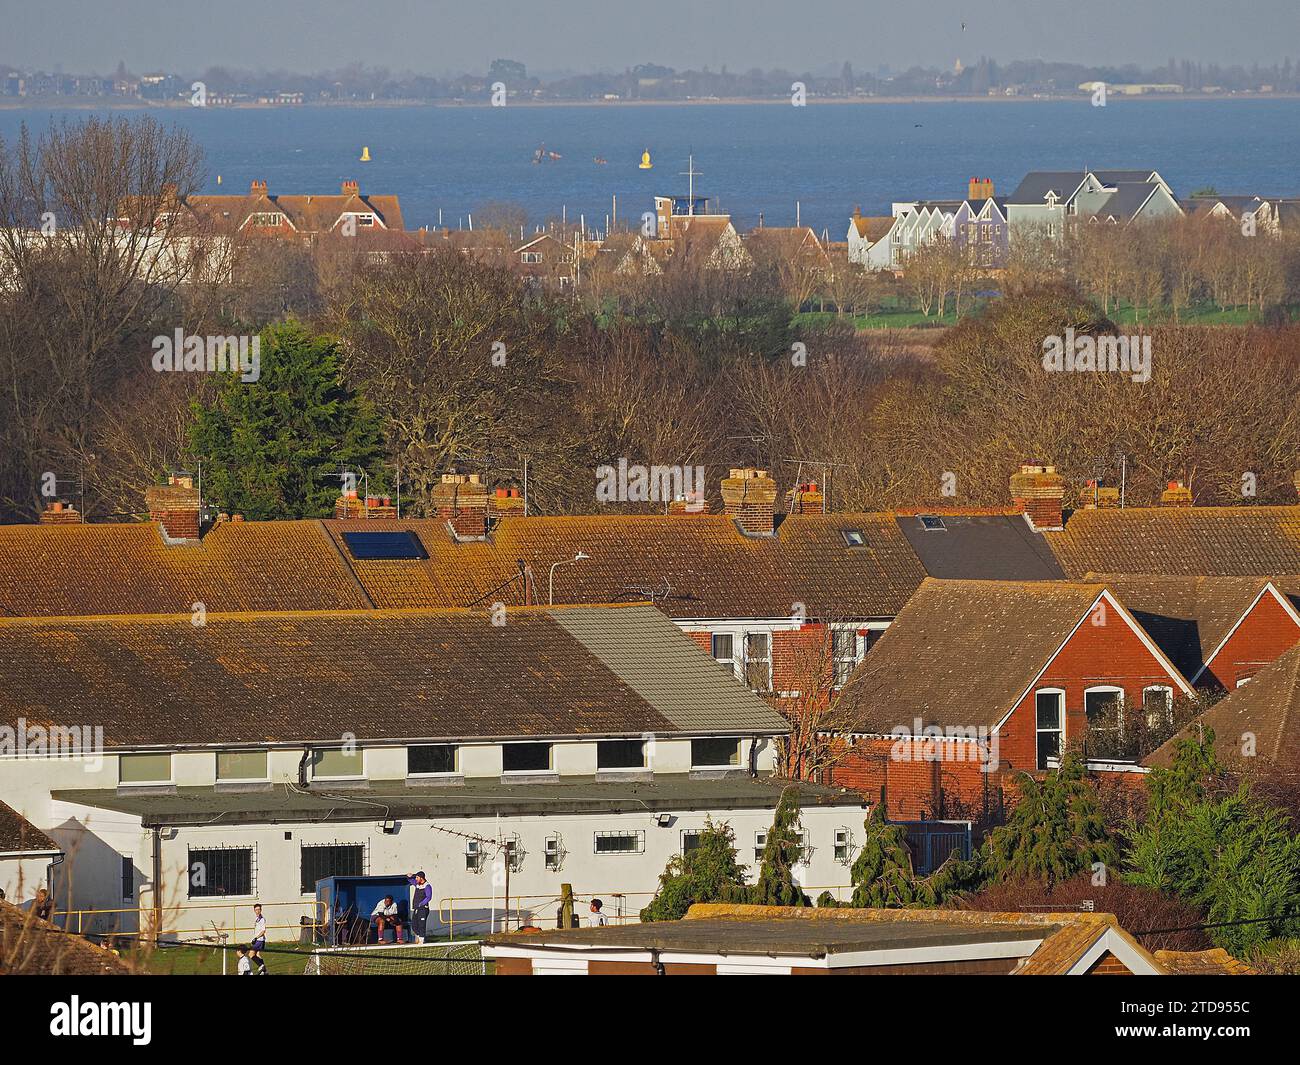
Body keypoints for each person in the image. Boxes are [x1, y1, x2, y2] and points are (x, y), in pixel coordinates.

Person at [407, 872, 432, 943]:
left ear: (421, 878)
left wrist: (421, 904)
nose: (416, 879)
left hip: (423, 908)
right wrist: (410, 876)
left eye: (417, 877)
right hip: (416, 908)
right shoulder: (417, 884)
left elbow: (429, 897)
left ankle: (421, 940)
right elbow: (410, 880)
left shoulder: (427, 886)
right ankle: (419, 937)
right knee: (414, 925)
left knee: (422, 925)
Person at [250, 903, 266, 967]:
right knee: (257, 955)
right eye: (256, 910)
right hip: (259, 940)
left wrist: (256, 938)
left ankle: (262, 967)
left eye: (259, 909)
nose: (258, 911)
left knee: (251, 954)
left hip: (259, 940)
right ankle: (264, 971)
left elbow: (263, 931)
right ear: (254, 910)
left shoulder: (262, 919)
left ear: (261, 910)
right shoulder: (257, 918)